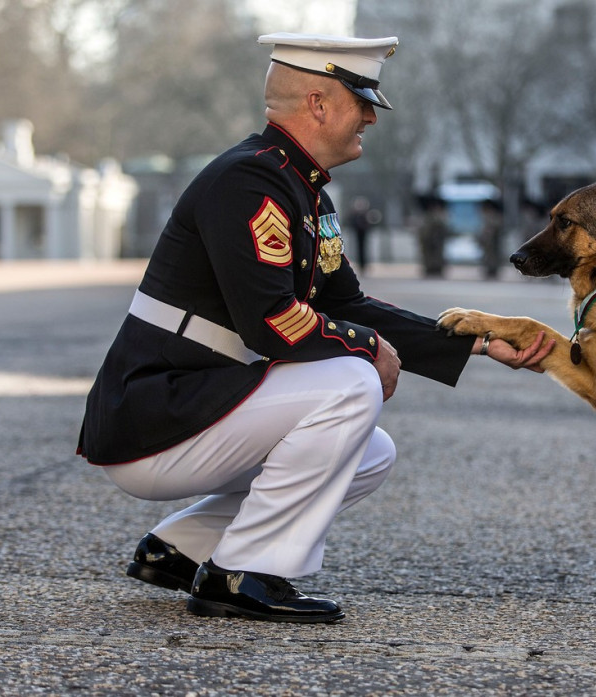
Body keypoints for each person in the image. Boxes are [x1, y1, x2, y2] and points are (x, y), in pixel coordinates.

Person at [77, 31, 552, 624]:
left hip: (193, 405)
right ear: (320, 105)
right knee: (351, 382)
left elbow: (348, 302)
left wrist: (477, 341)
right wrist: (368, 348)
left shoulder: (300, 189)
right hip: (153, 417)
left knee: (370, 451)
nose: (371, 120)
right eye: (364, 102)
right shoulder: (249, 181)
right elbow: (273, 323)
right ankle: (243, 573)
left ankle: (180, 549)